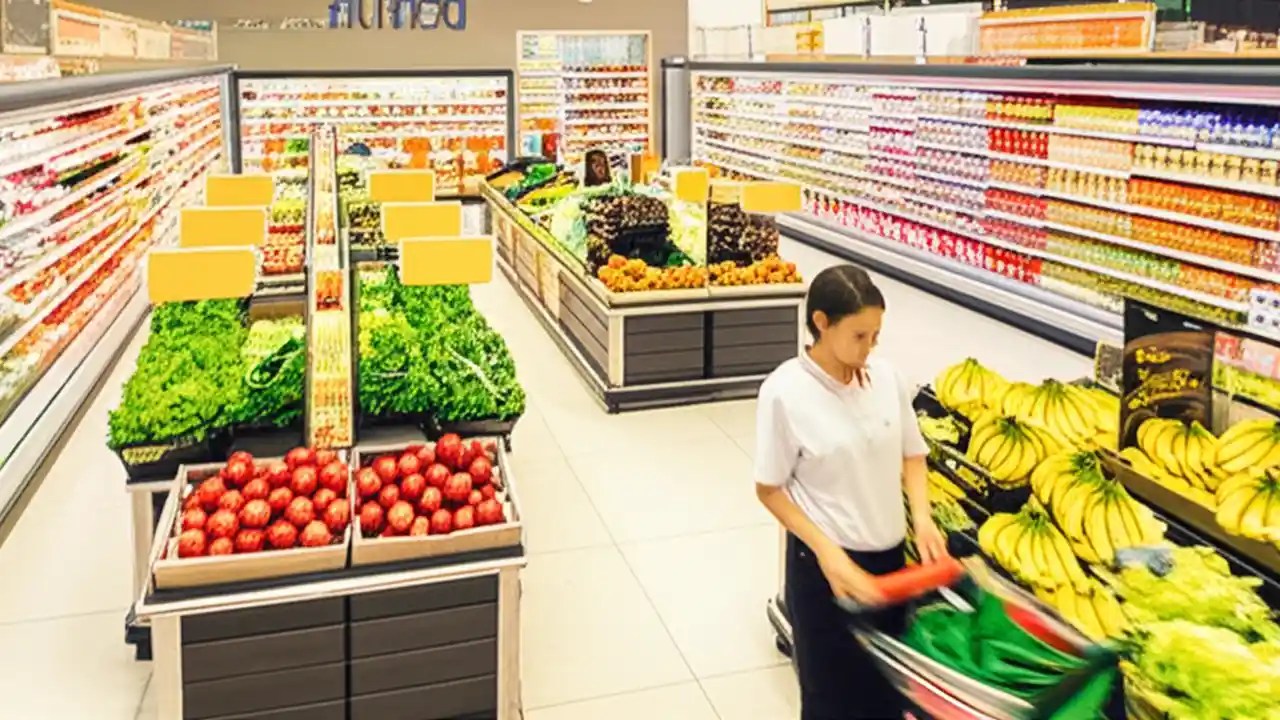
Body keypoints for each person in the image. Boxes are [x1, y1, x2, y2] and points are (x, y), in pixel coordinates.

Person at [754, 264, 948, 720]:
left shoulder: (887, 379)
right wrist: (827, 552)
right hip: (827, 573)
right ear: (821, 323)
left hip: (890, 565)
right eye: (859, 336)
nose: (870, 348)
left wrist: (921, 516)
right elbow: (769, 489)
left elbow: (912, 454)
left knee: (884, 699)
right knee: (832, 701)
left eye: (876, 336)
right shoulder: (785, 392)